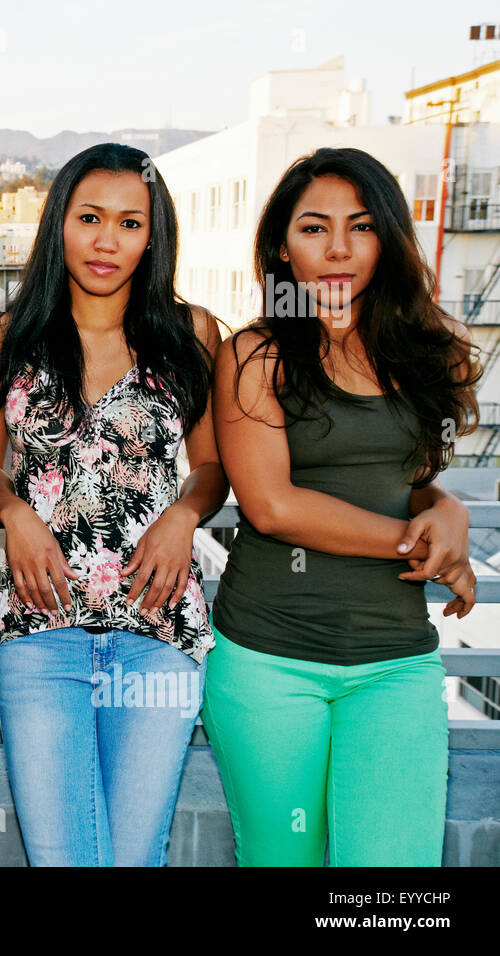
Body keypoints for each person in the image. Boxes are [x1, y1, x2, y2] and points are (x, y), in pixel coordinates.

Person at [205, 146, 480, 867]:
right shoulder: (256, 355)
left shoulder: (430, 354)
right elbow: (272, 507)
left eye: (360, 226)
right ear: (281, 246)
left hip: (395, 664)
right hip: (269, 663)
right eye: (313, 227)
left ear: (387, 237)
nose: (337, 249)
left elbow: (409, 478)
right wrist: (419, 543)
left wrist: (447, 511)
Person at [0, 142, 227, 866]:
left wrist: (183, 514)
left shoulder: (192, 334)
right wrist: (16, 514)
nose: (107, 240)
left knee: (133, 856)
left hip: (156, 628)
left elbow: (211, 469)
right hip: (40, 630)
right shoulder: (7, 335)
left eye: (129, 222)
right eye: (89, 218)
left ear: (154, 235)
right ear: (60, 225)